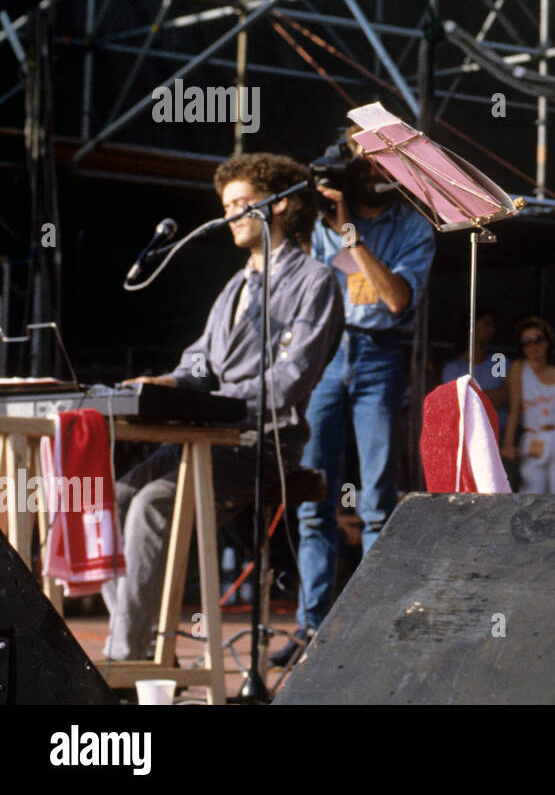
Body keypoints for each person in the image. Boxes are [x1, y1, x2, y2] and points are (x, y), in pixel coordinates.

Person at [104, 154, 343, 661]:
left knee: (152, 505)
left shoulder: (315, 283)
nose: (231, 215)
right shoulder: (235, 287)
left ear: (277, 207)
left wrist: (211, 403)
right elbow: (200, 364)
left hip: (258, 443)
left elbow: (289, 380)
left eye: (241, 204)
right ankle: (142, 644)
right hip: (204, 435)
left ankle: (125, 660)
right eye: (226, 206)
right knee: (113, 497)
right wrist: (163, 382)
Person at [276, 129, 435, 665]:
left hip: (379, 356)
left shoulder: (413, 227)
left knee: (377, 501)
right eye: (365, 164)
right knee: (314, 499)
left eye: (384, 164)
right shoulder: (317, 223)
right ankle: (312, 627)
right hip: (325, 353)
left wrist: (350, 235)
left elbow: (394, 299)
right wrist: (322, 217)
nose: (375, 174)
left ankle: (375, 626)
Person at [502, 316, 555, 493]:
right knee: (531, 496)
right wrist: (508, 444)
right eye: (526, 342)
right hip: (532, 438)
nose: (532, 345)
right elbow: (514, 409)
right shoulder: (519, 368)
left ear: (547, 343)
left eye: (537, 339)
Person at [441, 310, 507, 419]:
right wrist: (493, 396)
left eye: (492, 325)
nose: (492, 330)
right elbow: (457, 403)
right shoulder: (452, 368)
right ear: (471, 327)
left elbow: (507, 394)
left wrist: (472, 396)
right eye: (486, 324)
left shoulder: (499, 362)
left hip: (499, 433)